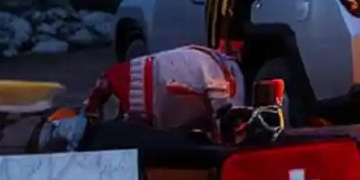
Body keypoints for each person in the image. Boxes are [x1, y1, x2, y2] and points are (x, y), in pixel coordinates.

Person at [84, 45, 246, 132]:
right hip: (152, 100)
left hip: (144, 81)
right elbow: (225, 113)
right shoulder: (227, 75)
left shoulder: (214, 60)